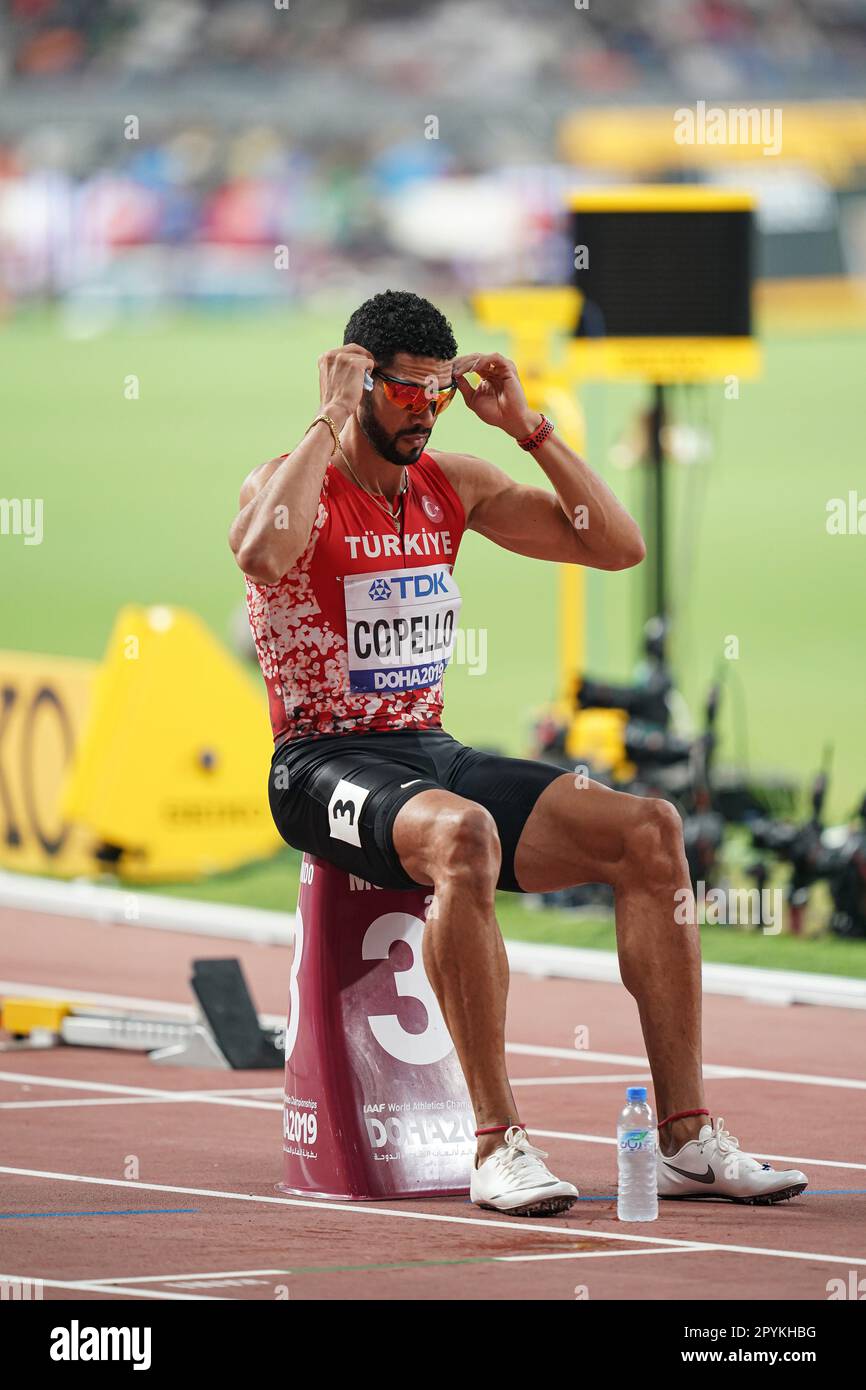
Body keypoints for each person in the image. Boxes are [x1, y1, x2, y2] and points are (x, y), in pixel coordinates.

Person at [229, 289, 807, 1216]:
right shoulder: (288, 480)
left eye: (438, 393)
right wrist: (328, 420)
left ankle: (687, 1137)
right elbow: (263, 556)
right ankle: (498, 1145)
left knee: (651, 831)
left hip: (425, 749)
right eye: (406, 392)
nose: (425, 410)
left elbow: (616, 546)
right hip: (317, 761)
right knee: (464, 838)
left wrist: (530, 429)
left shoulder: (451, 486)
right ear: (357, 377)